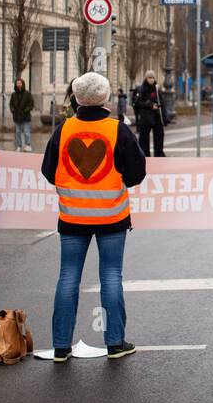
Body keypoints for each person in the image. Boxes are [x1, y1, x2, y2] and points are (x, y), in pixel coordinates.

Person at [42, 71, 146, 361]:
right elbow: (137, 172)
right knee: (111, 275)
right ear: (106, 97)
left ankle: (61, 346)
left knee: (67, 277)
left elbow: (48, 171)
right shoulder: (118, 130)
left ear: (76, 97)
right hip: (112, 216)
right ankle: (115, 342)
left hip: (72, 218)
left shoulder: (63, 130)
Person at [134, 71, 166, 157]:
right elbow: (138, 102)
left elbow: (162, 102)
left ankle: (159, 154)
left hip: (156, 117)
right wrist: (150, 105)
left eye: (152, 78)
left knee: (159, 136)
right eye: (149, 78)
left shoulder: (156, 89)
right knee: (144, 138)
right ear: (146, 78)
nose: (151, 79)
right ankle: (144, 155)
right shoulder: (142, 89)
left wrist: (164, 117)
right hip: (146, 118)